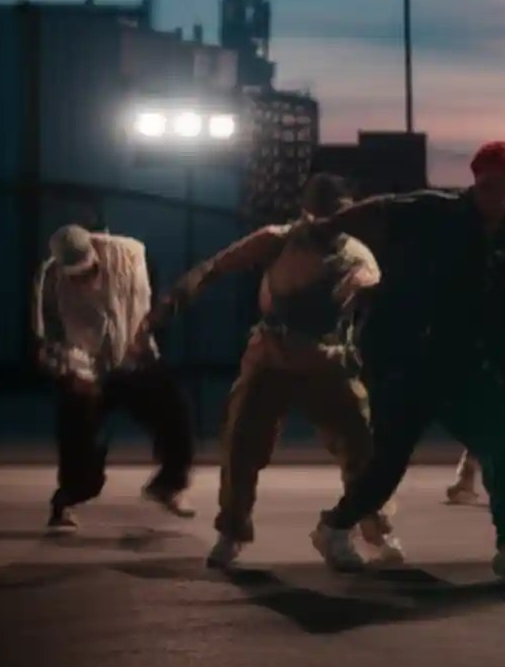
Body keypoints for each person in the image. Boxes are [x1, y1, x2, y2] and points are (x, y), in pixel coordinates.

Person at [305, 141, 505, 581]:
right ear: (477, 180)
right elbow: (379, 210)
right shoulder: (434, 211)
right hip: (410, 358)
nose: (498, 194)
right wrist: (327, 228)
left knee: (500, 442)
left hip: (468, 363)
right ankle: (334, 527)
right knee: (389, 459)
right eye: (490, 184)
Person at [133, 173, 402, 568]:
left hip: (325, 360)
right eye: (321, 215)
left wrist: (366, 296)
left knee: (361, 445)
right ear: (306, 213)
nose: (328, 224)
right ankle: (232, 529)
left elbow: (367, 293)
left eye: (337, 215)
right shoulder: (277, 239)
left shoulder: (357, 256)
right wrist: (168, 307)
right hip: (271, 356)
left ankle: (369, 525)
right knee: (242, 441)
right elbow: (214, 268)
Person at [32, 224, 195, 532]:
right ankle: (68, 498)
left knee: (174, 410)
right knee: (76, 434)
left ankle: (169, 484)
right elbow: (49, 337)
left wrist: (143, 337)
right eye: (75, 275)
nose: (83, 279)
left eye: (88, 271)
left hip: (131, 357)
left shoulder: (128, 253)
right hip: (84, 365)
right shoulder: (50, 278)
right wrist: (74, 374)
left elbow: (144, 300)